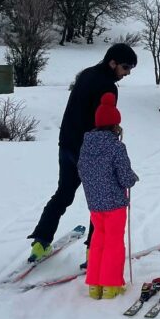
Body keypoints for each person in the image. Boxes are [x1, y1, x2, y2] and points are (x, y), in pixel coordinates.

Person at [27, 43, 137, 260]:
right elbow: (102, 122)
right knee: (100, 199)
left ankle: (41, 242)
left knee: (63, 193)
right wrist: (113, 133)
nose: (127, 73)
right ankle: (93, 251)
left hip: (67, 144)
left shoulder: (86, 74)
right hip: (89, 151)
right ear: (112, 63)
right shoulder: (108, 87)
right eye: (125, 67)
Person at [77, 94, 138, 299]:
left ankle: (95, 285)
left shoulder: (86, 145)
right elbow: (125, 177)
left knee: (97, 241)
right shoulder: (116, 147)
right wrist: (132, 178)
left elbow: (81, 170)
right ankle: (111, 284)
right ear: (115, 125)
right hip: (115, 203)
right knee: (113, 243)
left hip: (95, 203)